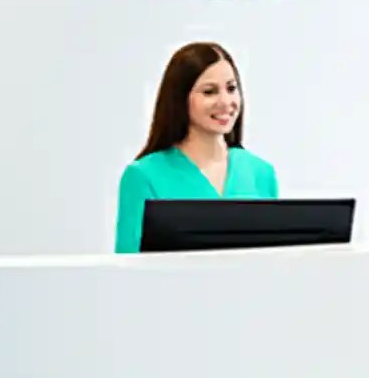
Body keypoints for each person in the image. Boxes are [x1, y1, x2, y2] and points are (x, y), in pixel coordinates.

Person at [115, 42, 278, 253]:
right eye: (209, 92)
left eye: (231, 88)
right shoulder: (143, 176)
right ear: (180, 98)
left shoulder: (261, 173)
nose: (225, 101)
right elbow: (127, 268)